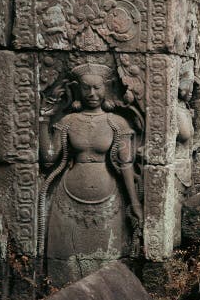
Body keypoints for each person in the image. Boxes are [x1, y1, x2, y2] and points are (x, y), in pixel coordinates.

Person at [38, 63, 142, 284]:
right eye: (86, 88)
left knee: (107, 262)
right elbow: (48, 158)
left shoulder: (117, 123)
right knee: (66, 263)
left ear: (107, 88)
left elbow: (126, 165)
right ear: (78, 89)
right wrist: (45, 118)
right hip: (68, 198)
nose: (92, 93)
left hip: (109, 198)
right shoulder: (68, 122)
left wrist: (134, 203)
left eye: (97, 88)